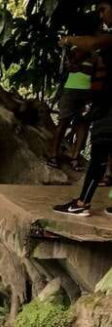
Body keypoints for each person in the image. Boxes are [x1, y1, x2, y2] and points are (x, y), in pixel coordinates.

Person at [54, 1, 112, 217]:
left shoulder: (107, 38)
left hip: (108, 108)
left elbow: (94, 43)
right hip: (104, 104)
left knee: (98, 153)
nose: (101, 14)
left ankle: (82, 203)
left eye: (103, 9)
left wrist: (69, 39)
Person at [48, 17, 98, 170]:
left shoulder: (94, 47)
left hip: (88, 90)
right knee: (63, 122)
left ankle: (75, 157)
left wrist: (81, 65)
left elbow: (92, 68)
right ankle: (53, 155)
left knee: (82, 123)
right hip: (71, 88)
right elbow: (70, 65)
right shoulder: (76, 46)